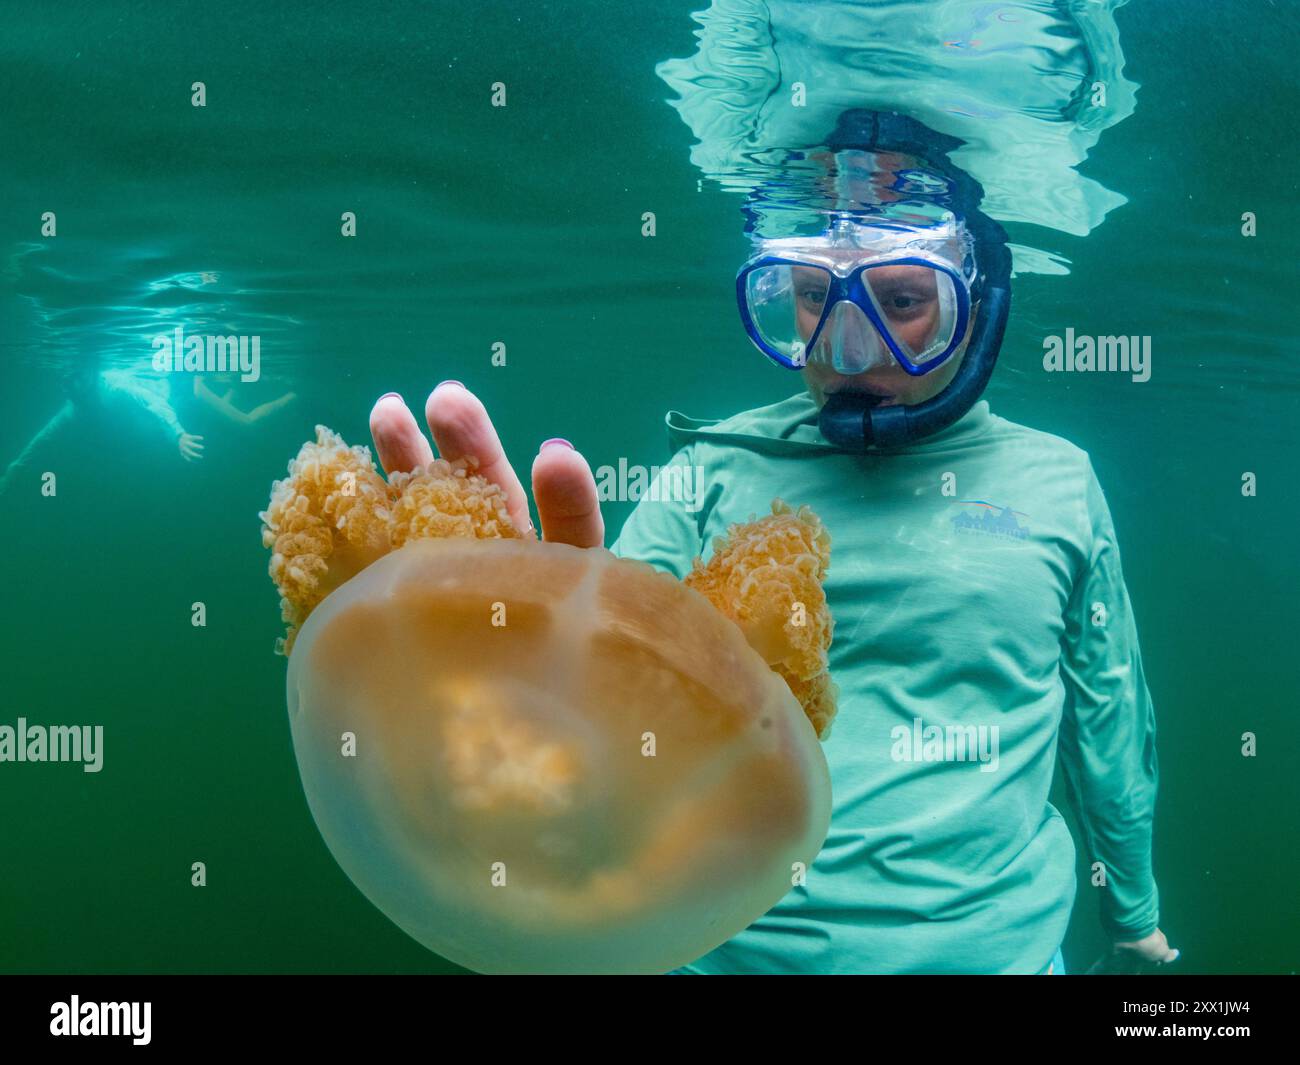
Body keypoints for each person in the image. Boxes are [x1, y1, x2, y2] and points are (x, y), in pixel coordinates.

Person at [364, 110, 1179, 976]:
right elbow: (586, 690)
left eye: (901, 300)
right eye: (814, 298)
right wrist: (498, 643)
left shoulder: (1059, 481)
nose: (848, 345)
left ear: (976, 299)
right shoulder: (713, 466)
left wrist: (1132, 915)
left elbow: (1108, 724)